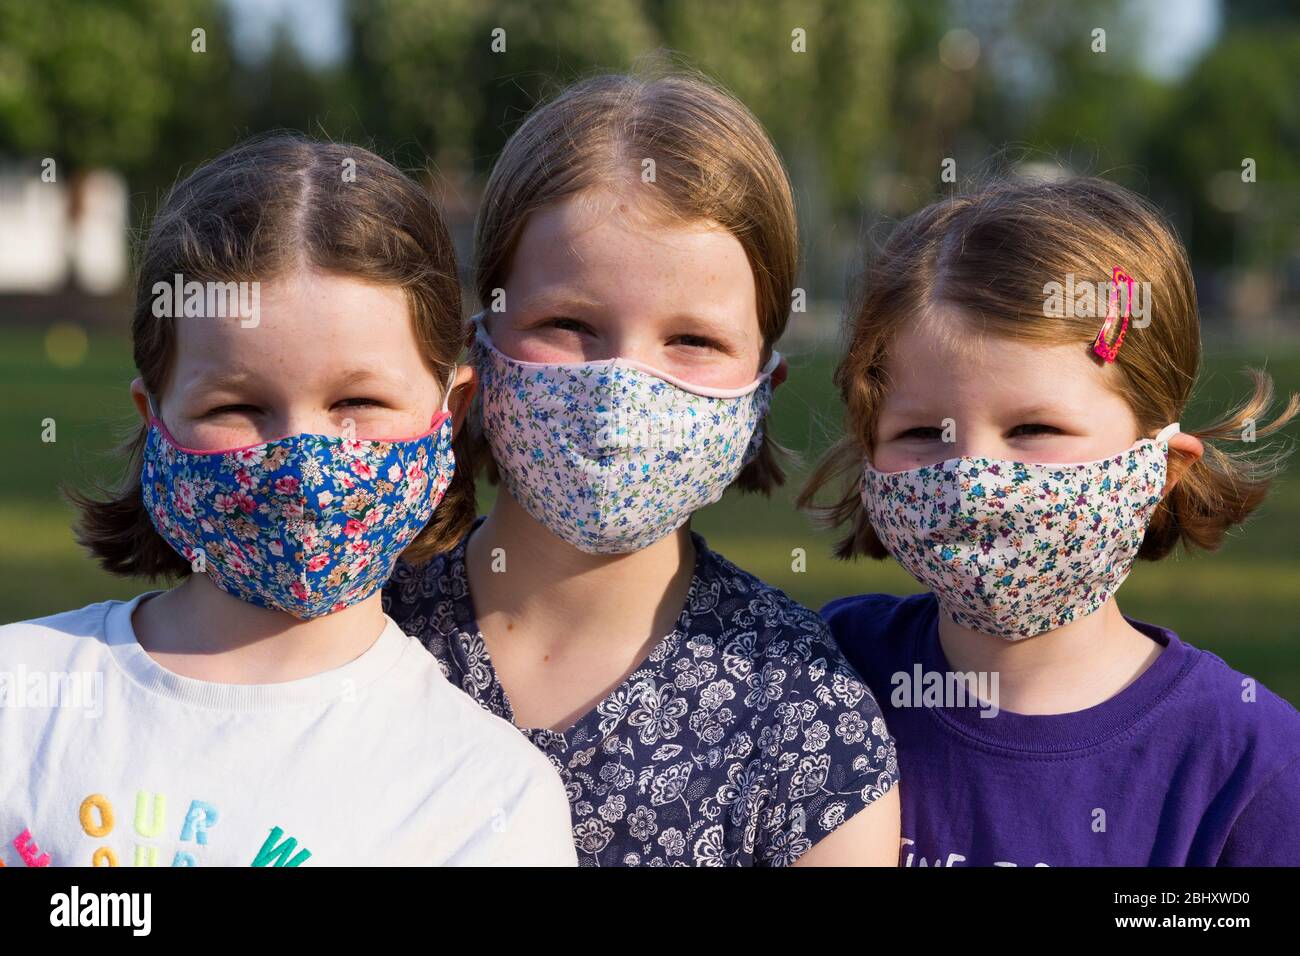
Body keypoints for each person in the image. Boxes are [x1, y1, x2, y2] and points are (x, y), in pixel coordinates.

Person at [0, 134, 576, 867]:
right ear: (158, 421)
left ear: (450, 414)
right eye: (238, 407)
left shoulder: (484, 798)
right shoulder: (18, 700)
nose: (301, 467)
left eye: (358, 401)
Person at [385, 71, 900, 867]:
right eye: (568, 324)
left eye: (692, 340)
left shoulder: (804, 721)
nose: (620, 386)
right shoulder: (353, 635)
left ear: (763, 386)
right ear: (478, 344)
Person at [801, 176, 1300, 865]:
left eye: (1034, 427)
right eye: (923, 433)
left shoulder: (1253, 768)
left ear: (1159, 470)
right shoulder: (818, 678)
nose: (973, 481)